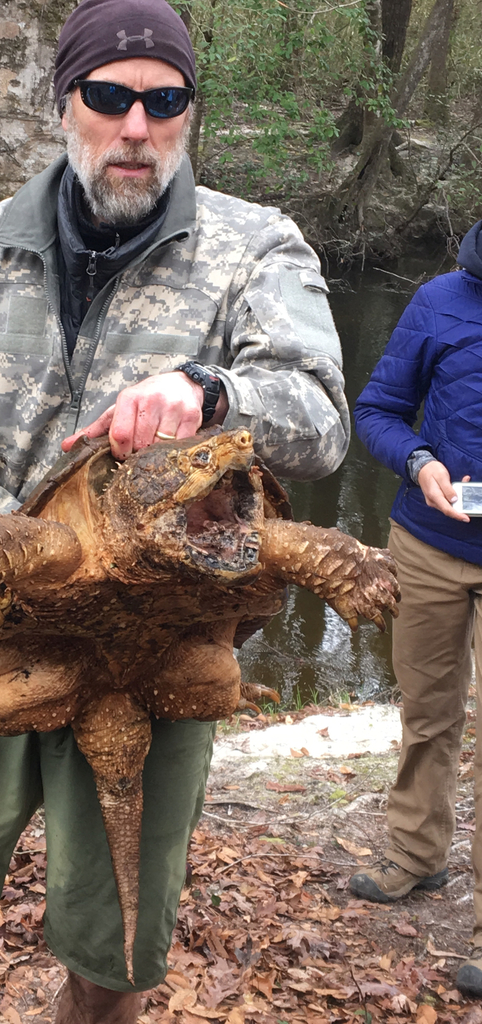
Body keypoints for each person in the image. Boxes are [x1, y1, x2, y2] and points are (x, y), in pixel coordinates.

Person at [0, 1, 349, 1020]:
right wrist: (43, 557)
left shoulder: (256, 251)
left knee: (113, 953)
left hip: (164, 649)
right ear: (66, 106)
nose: (137, 126)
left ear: (188, 114)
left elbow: (319, 425)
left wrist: (217, 392)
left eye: (164, 100)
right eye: (111, 97)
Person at [350, 219, 482, 999]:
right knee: (427, 712)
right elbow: (376, 413)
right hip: (428, 544)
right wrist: (420, 461)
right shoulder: (439, 300)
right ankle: (414, 855)